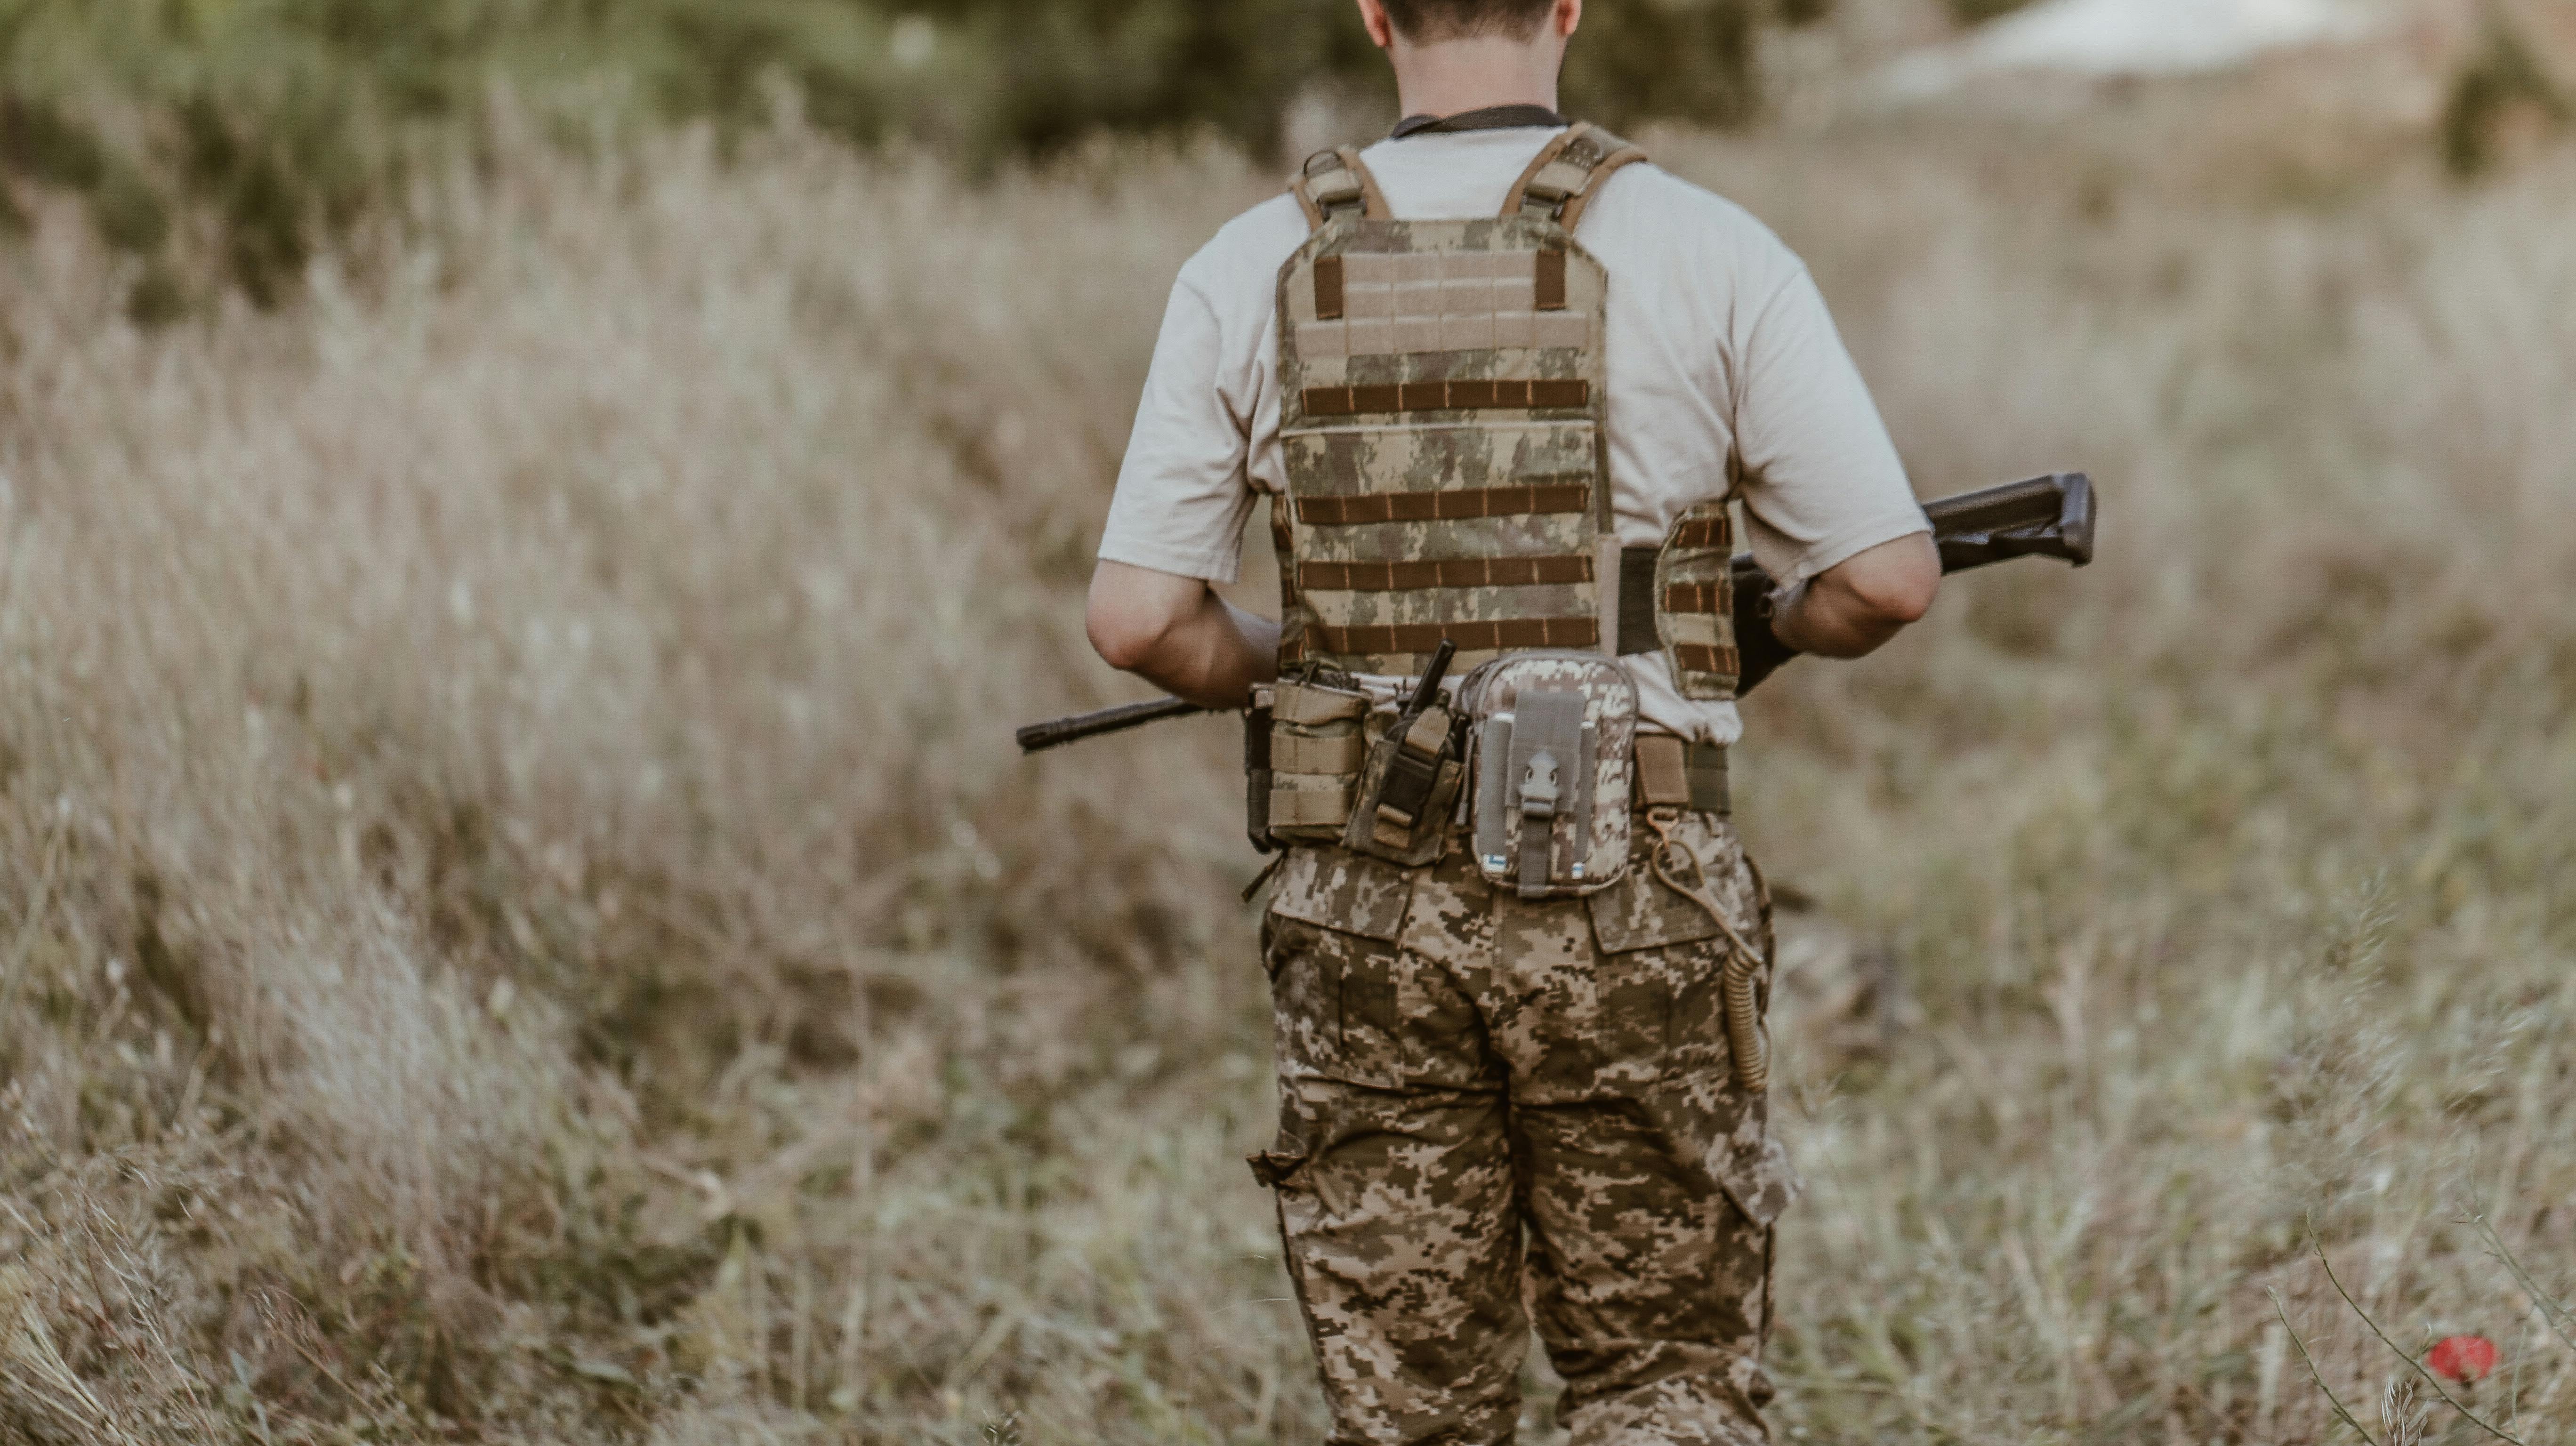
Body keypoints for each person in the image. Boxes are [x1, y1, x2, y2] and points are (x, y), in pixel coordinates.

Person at [1085, 0, 1939, 1440]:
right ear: (1567, 7)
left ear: (1373, 15)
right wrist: (1764, 629)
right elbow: (1887, 579)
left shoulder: (1251, 263)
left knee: (1411, 1404)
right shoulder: (1709, 248)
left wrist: (1329, 666)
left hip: (1365, 895)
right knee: (1665, 1379)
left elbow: (1142, 620)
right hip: (1638, 896)